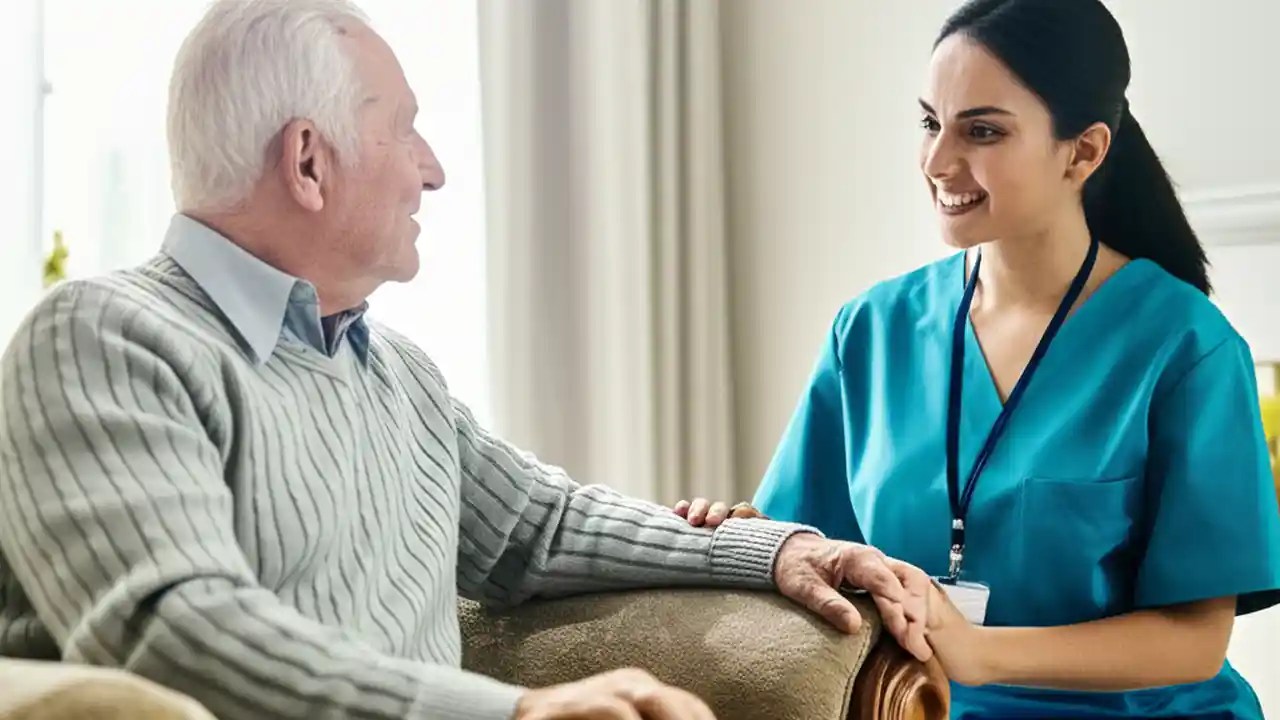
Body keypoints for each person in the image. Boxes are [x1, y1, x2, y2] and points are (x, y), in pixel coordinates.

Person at [0, 1, 936, 719]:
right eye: (404, 127)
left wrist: (776, 550)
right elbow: (170, 631)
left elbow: (542, 527)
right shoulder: (105, 340)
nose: (433, 168)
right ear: (309, 162)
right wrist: (511, 712)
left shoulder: (394, 372)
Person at [677, 0, 1280, 718]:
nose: (937, 162)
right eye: (930, 123)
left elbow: (1195, 639)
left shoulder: (1185, 345)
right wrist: (745, 540)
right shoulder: (870, 331)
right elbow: (813, 550)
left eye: (982, 131)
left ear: (1083, 152)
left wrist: (981, 652)